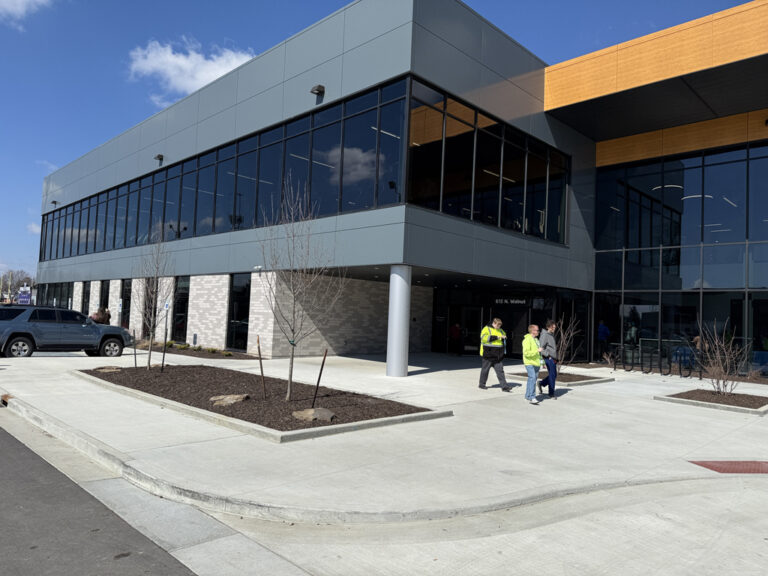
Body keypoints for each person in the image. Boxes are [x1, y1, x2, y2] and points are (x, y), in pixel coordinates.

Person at [478, 318, 511, 391]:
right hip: (488, 354)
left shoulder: (500, 330)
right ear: (494, 323)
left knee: (500, 371)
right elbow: (483, 338)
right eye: (498, 325)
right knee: (485, 370)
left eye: (500, 326)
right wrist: (497, 337)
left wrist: (504, 337)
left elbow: (504, 335)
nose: (499, 327)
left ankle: (504, 386)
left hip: (498, 355)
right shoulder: (486, 329)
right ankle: (482, 384)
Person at [538, 319, 558, 399]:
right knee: (552, 375)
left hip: (552, 358)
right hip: (549, 358)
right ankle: (551, 393)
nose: (554, 328)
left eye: (555, 327)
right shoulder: (545, 335)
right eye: (553, 327)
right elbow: (541, 348)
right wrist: (548, 355)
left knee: (554, 375)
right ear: (549, 327)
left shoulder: (550, 334)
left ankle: (542, 383)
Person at [522, 324, 542, 404]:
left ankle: (527, 396)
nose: (538, 332)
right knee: (532, 378)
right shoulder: (527, 340)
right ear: (532, 331)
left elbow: (539, 353)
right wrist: (537, 351)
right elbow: (526, 353)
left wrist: (542, 362)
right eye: (537, 330)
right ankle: (532, 397)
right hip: (529, 362)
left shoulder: (536, 340)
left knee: (532, 379)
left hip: (536, 363)